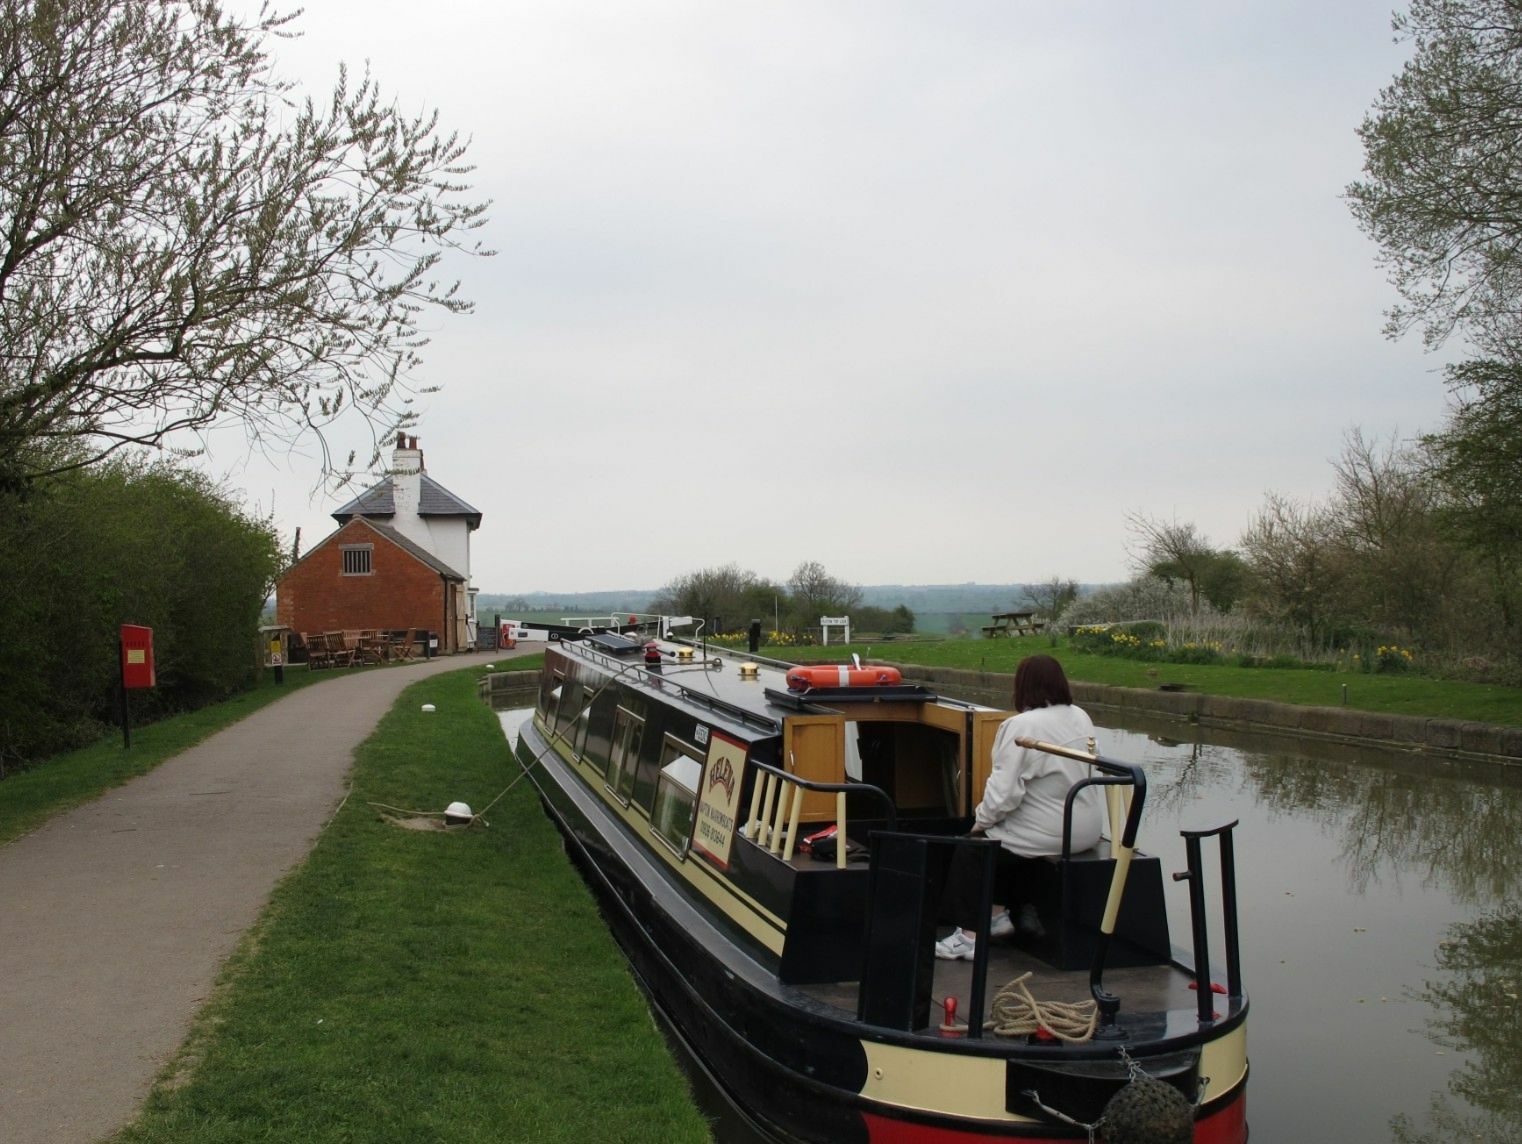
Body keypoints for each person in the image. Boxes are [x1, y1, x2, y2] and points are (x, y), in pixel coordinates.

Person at [935, 654, 1102, 961]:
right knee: (1005, 840)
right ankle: (998, 916)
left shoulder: (1020, 726)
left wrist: (977, 823)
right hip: (1087, 829)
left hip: (1052, 832)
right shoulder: (1081, 715)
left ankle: (967, 937)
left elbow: (1003, 795)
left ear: (1022, 686)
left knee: (974, 847)